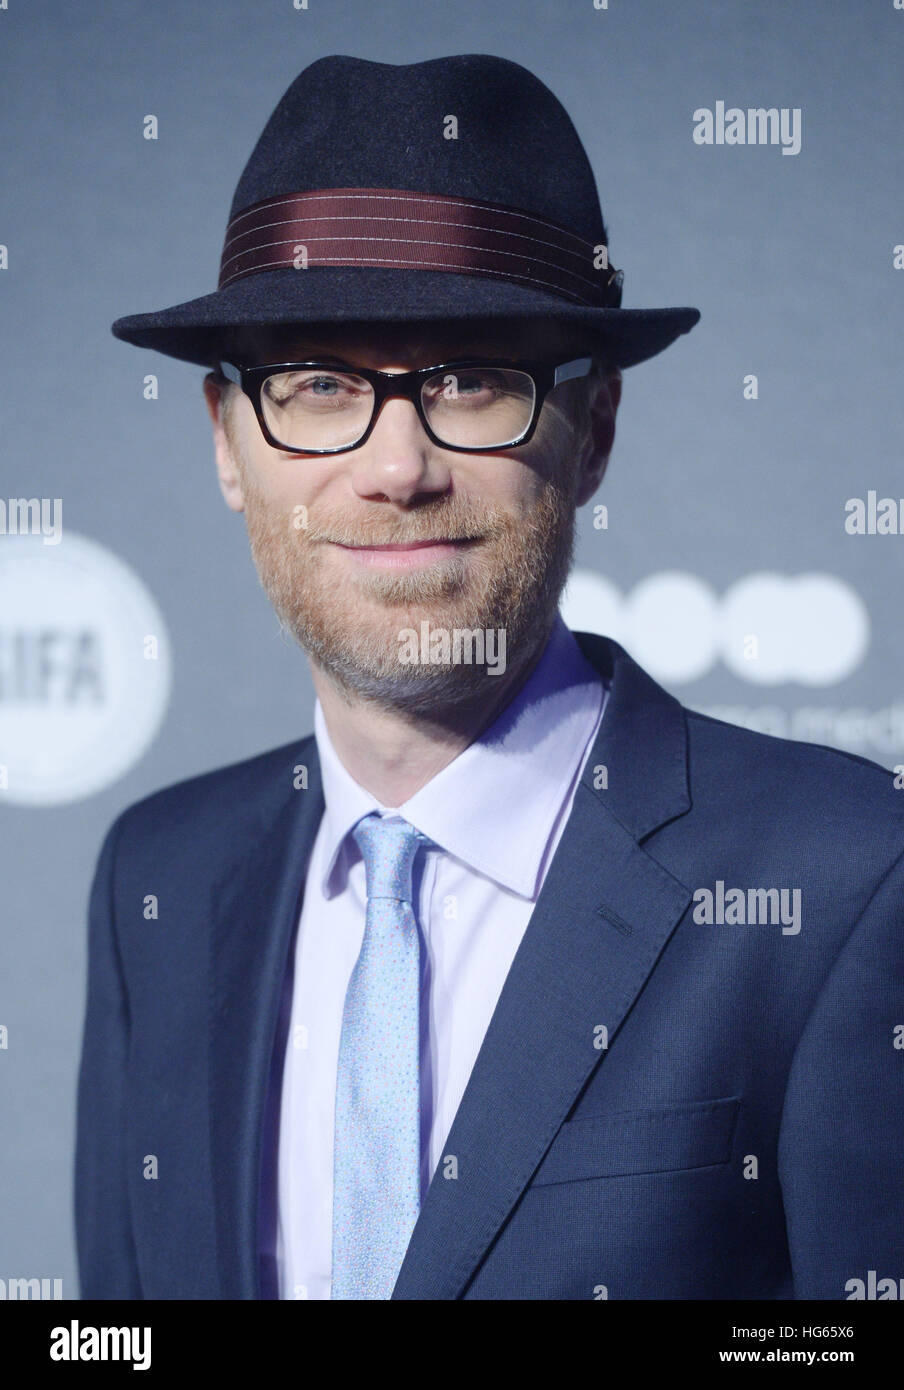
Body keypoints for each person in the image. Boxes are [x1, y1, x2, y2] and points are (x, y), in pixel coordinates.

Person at [75, 53, 904, 1301]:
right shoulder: (160, 876)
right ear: (228, 443)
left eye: (470, 381)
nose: (395, 467)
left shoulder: (845, 876)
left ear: (596, 431)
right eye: (317, 385)